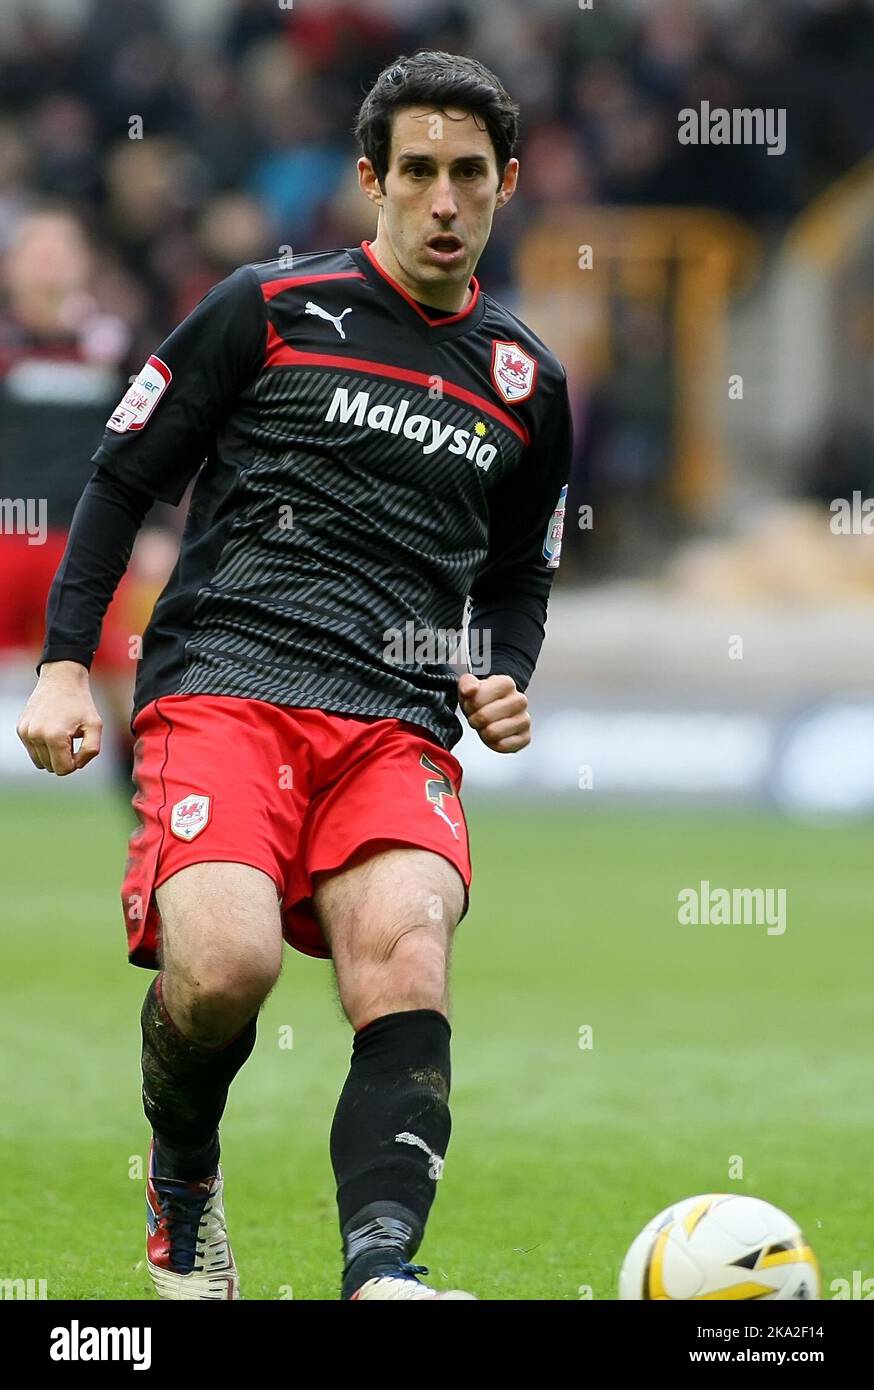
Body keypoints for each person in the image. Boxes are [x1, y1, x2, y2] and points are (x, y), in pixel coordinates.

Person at [17, 50, 572, 1301]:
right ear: (369, 180)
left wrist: (504, 672)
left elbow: (521, 576)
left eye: (468, 175)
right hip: (226, 681)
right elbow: (121, 477)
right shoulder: (264, 307)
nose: (442, 200)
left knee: (407, 951)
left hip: (395, 724)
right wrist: (61, 665)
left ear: (505, 186)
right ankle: (182, 1179)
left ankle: (382, 1273)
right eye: (416, 172)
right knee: (223, 970)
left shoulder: (529, 381)